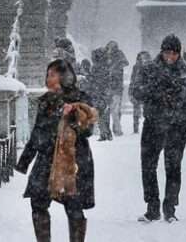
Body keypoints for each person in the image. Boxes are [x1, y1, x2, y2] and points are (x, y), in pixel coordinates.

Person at [15, 59, 96, 242]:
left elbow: (87, 129)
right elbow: (37, 132)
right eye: (47, 74)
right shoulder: (46, 101)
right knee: (38, 201)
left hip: (73, 162)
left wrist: (74, 114)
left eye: (52, 75)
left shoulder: (81, 98)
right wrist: (25, 161)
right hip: (46, 160)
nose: (47, 79)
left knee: (74, 207)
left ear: (64, 77)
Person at [132, 35, 186, 223]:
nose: (170, 57)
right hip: (153, 123)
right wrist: (155, 92)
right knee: (148, 167)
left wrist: (179, 94)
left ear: (179, 53)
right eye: (166, 53)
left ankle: (170, 208)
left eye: (173, 53)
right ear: (161, 52)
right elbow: (136, 91)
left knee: (173, 167)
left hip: (176, 124)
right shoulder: (150, 69)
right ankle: (152, 207)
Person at [106, 41, 129, 137]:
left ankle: (116, 128)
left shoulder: (119, 54)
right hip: (109, 85)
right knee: (109, 109)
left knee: (115, 109)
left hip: (116, 86)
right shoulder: (107, 55)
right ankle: (110, 129)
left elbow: (125, 62)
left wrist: (115, 66)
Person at [90, 47, 113, 141]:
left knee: (100, 113)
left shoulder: (96, 67)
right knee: (104, 113)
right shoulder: (106, 66)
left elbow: (94, 80)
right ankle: (107, 133)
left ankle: (104, 133)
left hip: (98, 92)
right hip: (105, 92)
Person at [129, 51, 152, 134]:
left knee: (147, 110)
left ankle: (148, 127)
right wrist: (131, 90)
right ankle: (136, 128)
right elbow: (133, 79)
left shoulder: (151, 66)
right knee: (136, 109)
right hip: (137, 90)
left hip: (146, 90)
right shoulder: (136, 67)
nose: (143, 59)